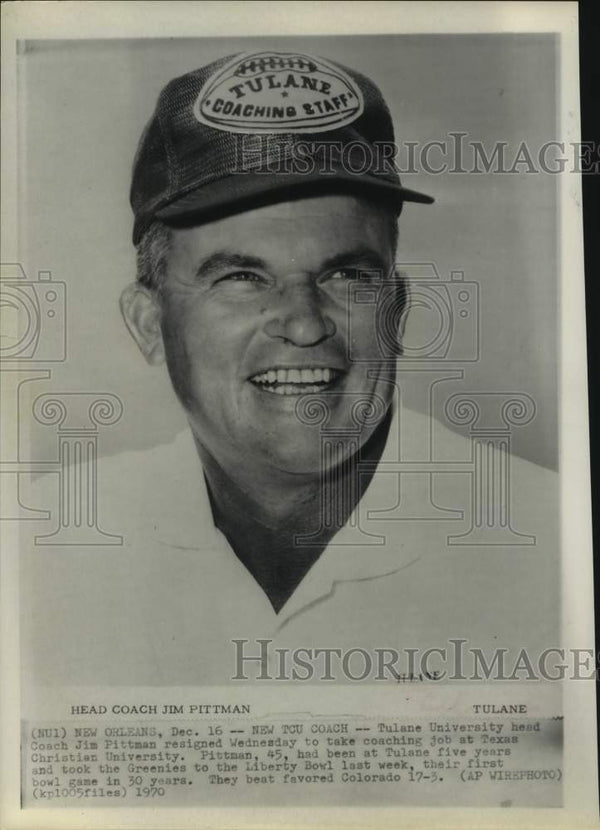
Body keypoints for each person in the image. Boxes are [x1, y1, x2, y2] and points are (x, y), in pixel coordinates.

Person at [22, 51, 559, 686]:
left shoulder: (552, 540)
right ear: (149, 325)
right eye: (243, 277)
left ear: (398, 310)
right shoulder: (37, 547)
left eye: (346, 276)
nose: (304, 324)